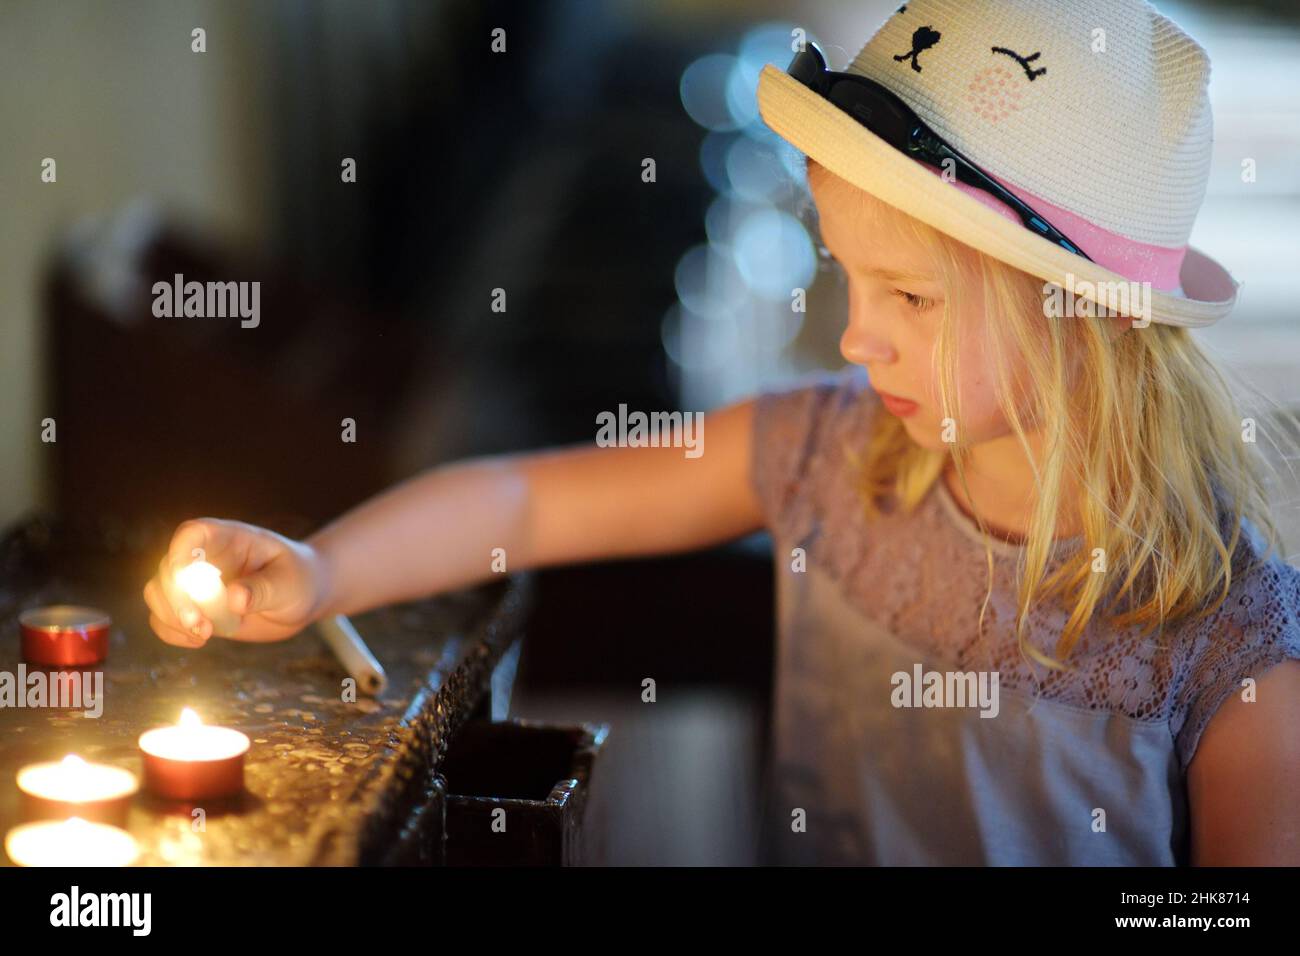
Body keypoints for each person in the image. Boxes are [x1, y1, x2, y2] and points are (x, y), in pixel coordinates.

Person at [144, 0, 1300, 865]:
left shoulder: (1227, 644)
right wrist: (320, 565)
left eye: (913, 297)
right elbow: (529, 502)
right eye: (850, 279)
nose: (856, 339)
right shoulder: (825, 455)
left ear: (1083, 318)